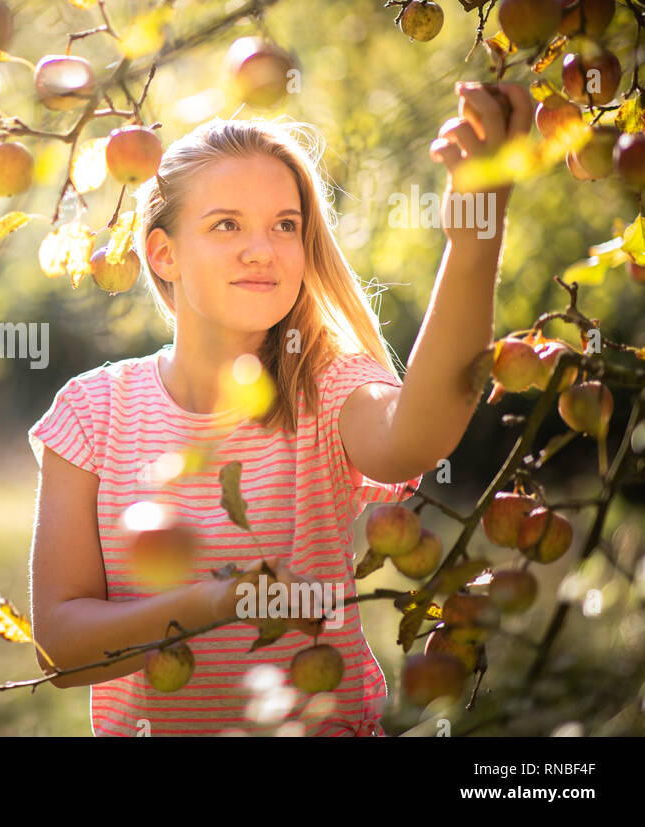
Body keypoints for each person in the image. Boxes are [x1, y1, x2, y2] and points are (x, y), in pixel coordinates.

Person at [26, 82, 533, 736]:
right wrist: (212, 602)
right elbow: (59, 650)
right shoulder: (93, 412)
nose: (261, 248)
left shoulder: (324, 385)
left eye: (285, 225)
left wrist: (473, 238)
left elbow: (418, 439)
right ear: (163, 253)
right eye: (226, 224)